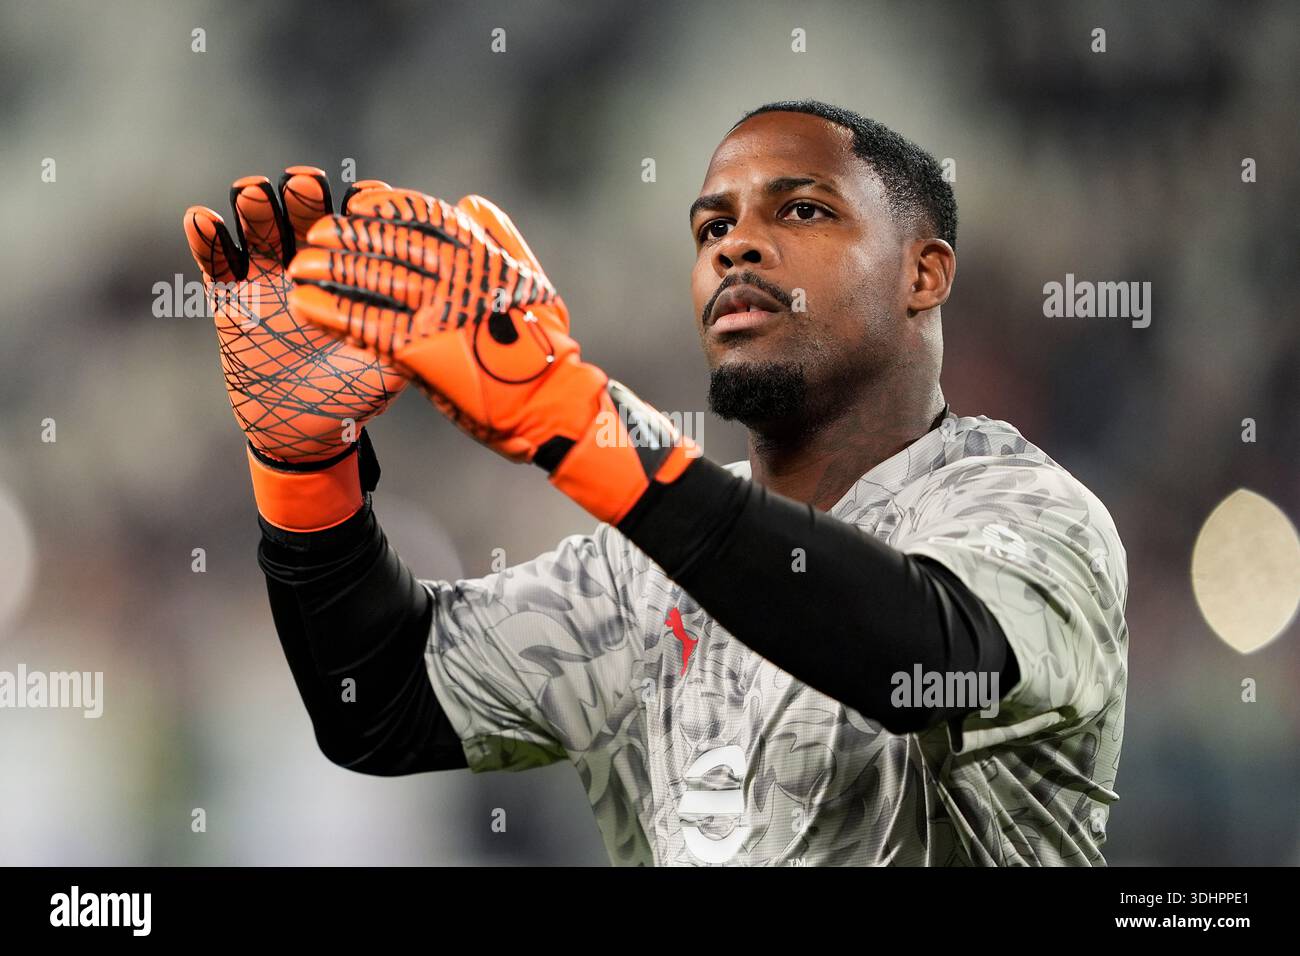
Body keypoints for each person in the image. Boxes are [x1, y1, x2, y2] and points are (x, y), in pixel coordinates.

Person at [182, 99, 1129, 866]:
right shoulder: (641, 573)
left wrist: (578, 423)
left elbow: (927, 662)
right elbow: (379, 706)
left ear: (924, 273)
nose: (734, 246)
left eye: (802, 210)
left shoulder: (1031, 513)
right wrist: (308, 474)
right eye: (713, 225)